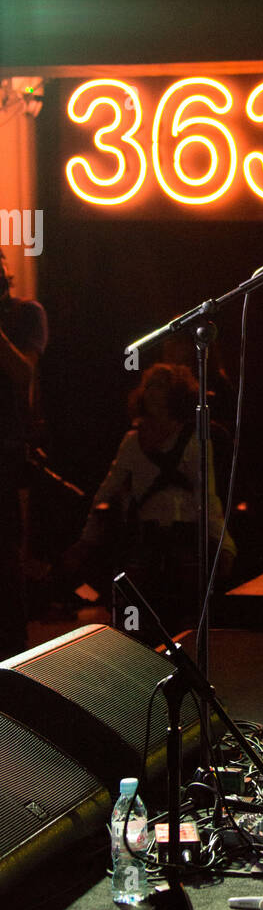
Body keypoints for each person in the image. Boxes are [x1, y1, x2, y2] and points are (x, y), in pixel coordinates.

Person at [63, 363, 236, 633]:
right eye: (150, 385)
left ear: (176, 394)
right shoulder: (132, 441)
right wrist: (86, 542)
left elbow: (208, 497)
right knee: (138, 626)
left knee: (183, 627)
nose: (154, 392)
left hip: (184, 545)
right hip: (145, 545)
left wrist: (224, 545)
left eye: (162, 386)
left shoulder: (195, 440)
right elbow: (105, 495)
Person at [0, 248, 48, 658]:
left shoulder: (25, 314)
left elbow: (23, 373)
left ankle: (13, 654)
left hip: (6, 451)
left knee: (6, 556)